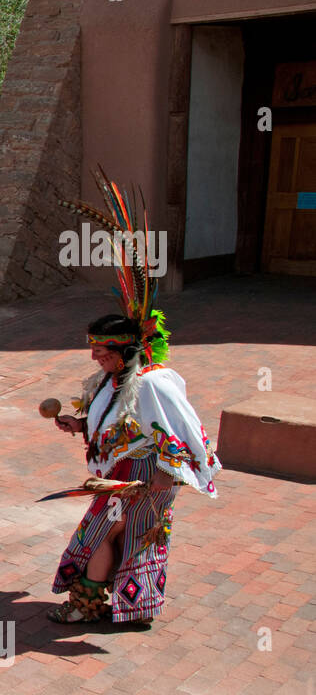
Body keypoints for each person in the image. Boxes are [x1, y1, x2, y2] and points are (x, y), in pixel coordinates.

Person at [48, 174, 221, 623]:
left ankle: (85, 609)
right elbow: (118, 423)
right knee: (126, 537)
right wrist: (80, 425)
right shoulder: (113, 380)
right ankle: (128, 607)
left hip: (145, 475)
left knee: (108, 534)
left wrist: (165, 480)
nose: (96, 358)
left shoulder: (153, 382)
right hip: (125, 473)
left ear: (127, 349)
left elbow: (178, 433)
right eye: (94, 350)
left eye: (103, 351)